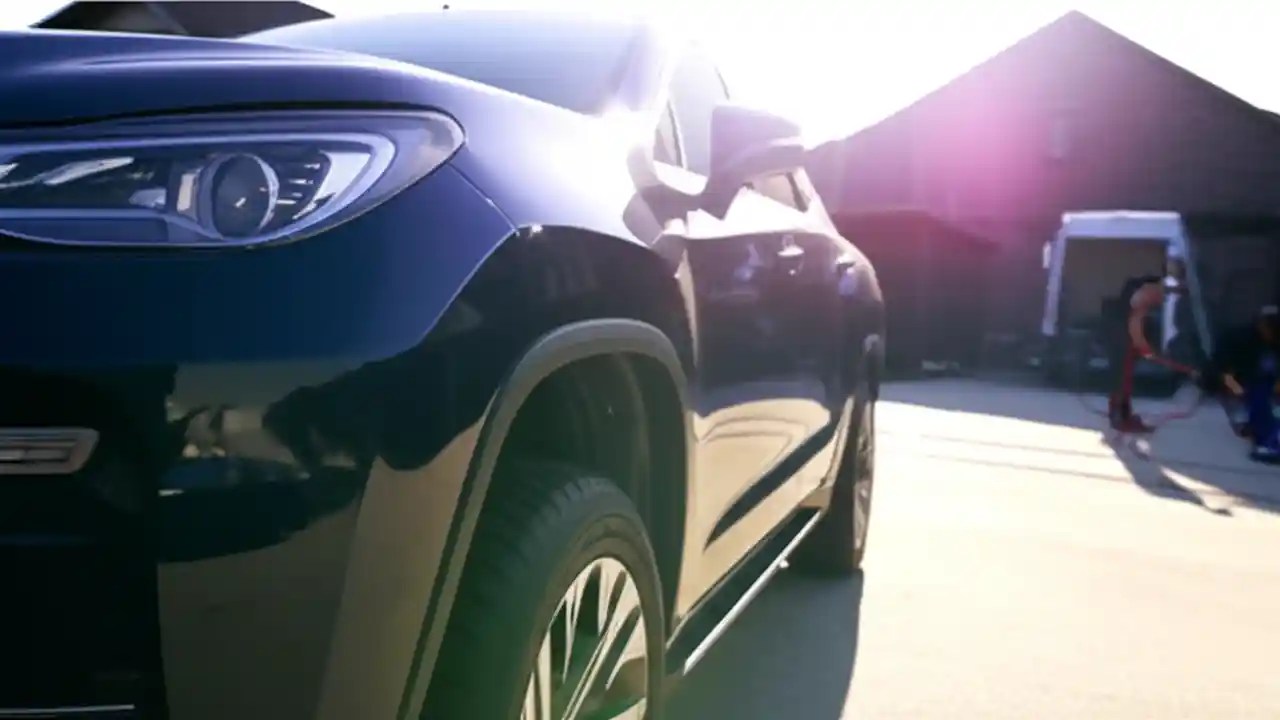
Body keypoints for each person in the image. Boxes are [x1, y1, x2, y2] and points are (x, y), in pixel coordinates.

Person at [1107, 259, 1192, 434]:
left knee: (1124, 379)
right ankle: (1119, 418)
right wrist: (1143, 347)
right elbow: (1135, 322)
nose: (1166, 299)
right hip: (1123, 337)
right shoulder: (1148, 292)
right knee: (1122, 380)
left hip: (1120, 334)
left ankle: (1123, 416)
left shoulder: (1151, 286)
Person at [1212, 305, 1280, 463]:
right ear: (1261, 325)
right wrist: (1237, 389)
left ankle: (1266, 434)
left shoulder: (1274, 340)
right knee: (1259, 400)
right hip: (1240, 381)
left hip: (1265, 379)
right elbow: (1221, 370)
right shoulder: (1239, 339)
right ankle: (1265, 440)